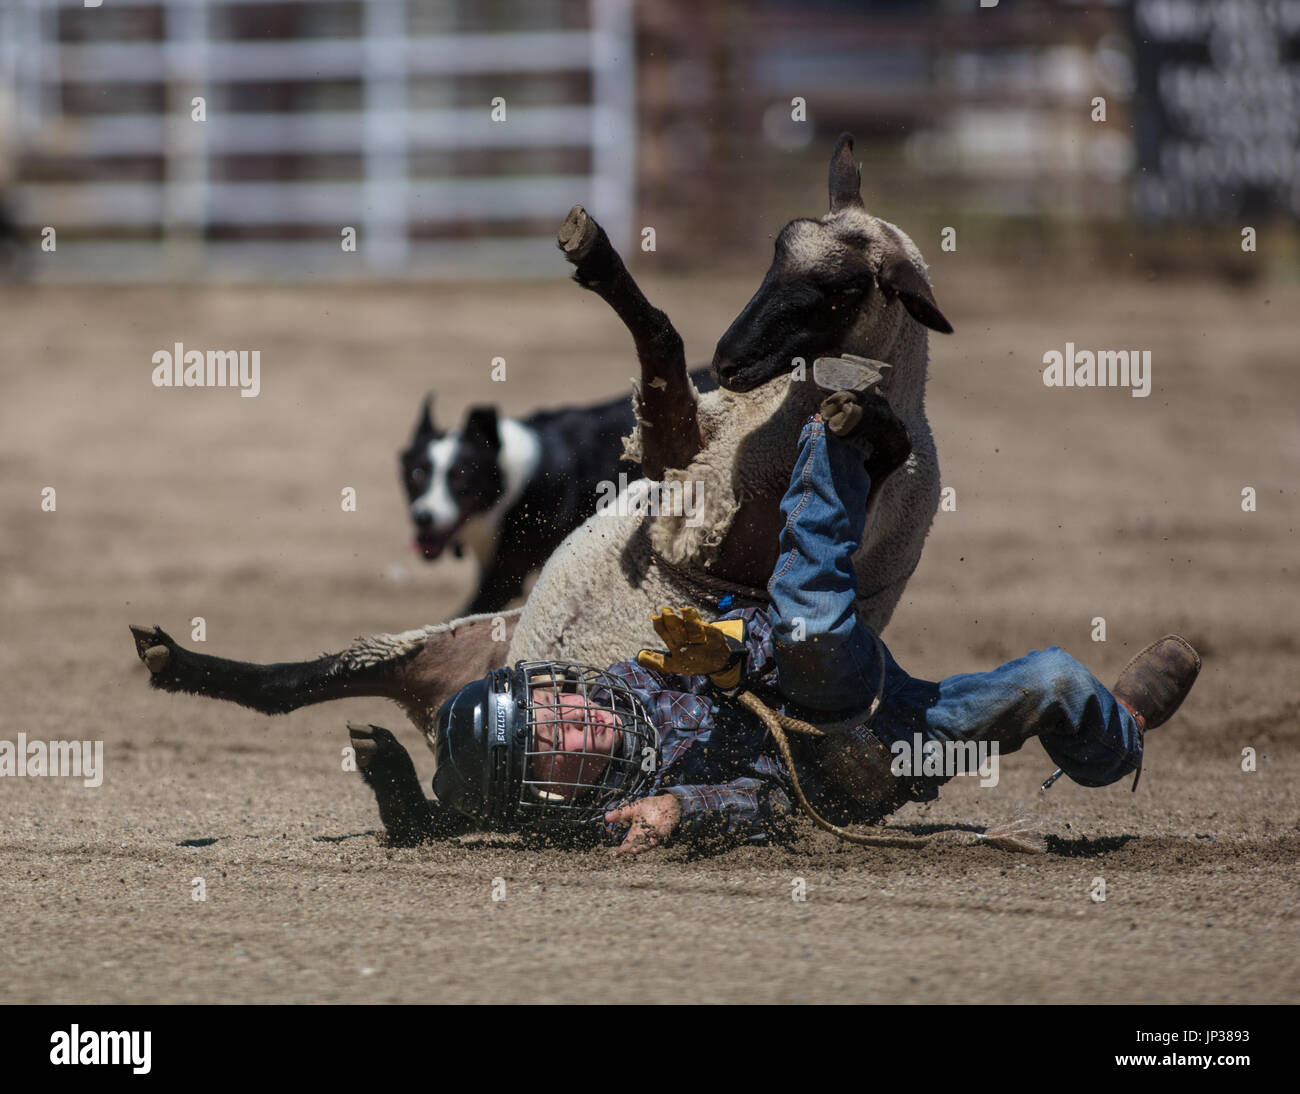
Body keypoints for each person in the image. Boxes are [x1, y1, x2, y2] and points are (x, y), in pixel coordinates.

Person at [349, 364, 1201, 855]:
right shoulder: (620, 806)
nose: (574, 728)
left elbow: (452, 817)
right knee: (1053, 678)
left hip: (820, 667)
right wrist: (686, 812)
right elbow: (768, 800)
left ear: (553, 687)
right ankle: (1118, 729)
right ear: (546, 791)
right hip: (866, 756)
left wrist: (728, 647)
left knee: (801, 627)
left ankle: (834, 443)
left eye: (553, 711)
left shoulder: (619, 683)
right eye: (555, 750)